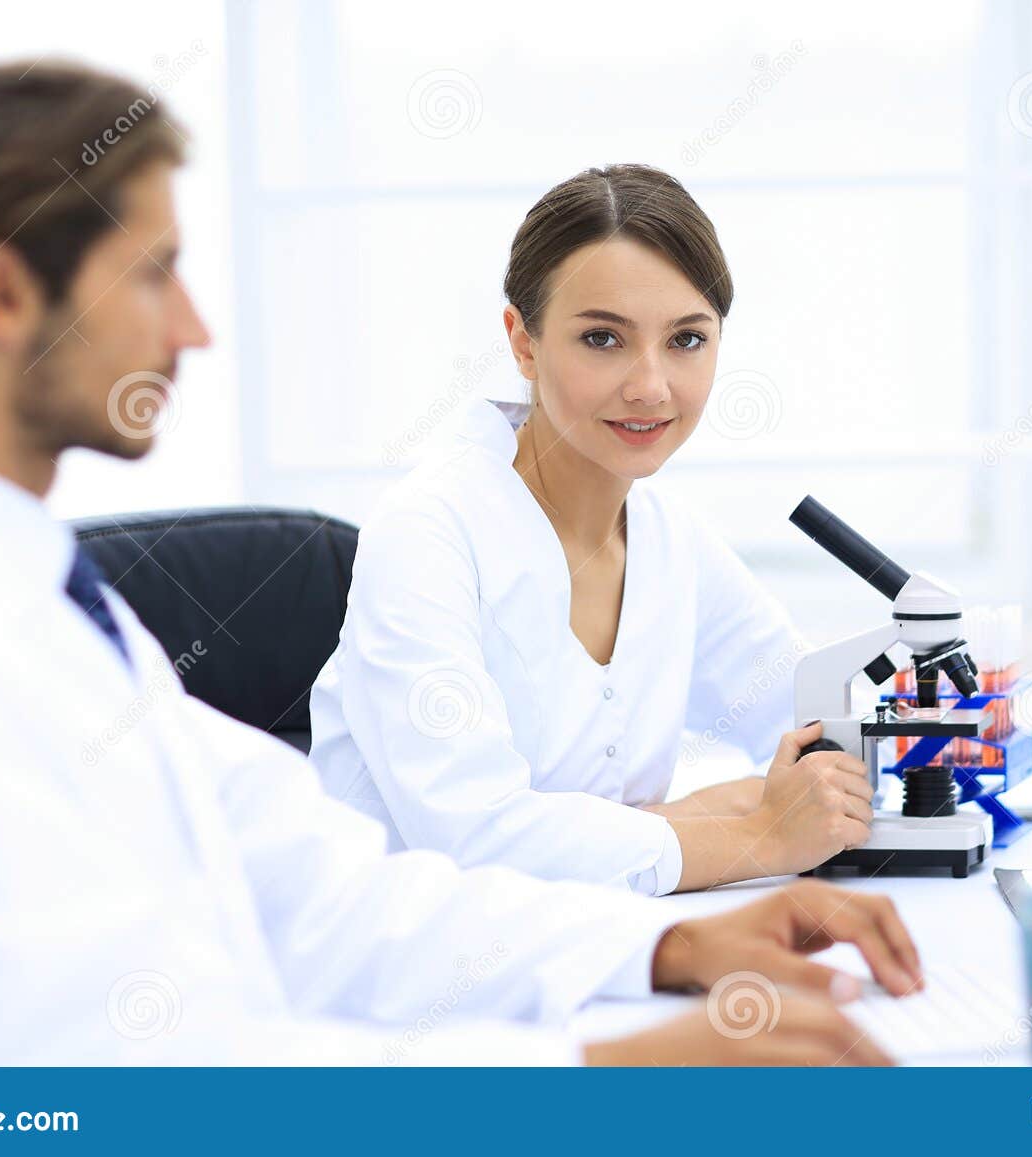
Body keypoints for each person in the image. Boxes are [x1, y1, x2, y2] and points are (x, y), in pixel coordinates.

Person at [0, 62, 923, 1066]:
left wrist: (667, 942)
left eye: (685, 337)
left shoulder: (34, 594)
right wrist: (610, 1071)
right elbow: (116, 1077)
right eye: (155, 273)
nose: (194, 328)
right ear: (2, 296)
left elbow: (329, 893)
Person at [309, 166, 872, 894]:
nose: (650, 386)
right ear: (523, 341)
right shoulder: (427, 534)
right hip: (411, 976)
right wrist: (753, 831)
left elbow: (809, 712)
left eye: (687, 339)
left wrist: (941, 713)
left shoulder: (670, 538)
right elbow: (476, 840)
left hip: (610, 949)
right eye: (603, 338)